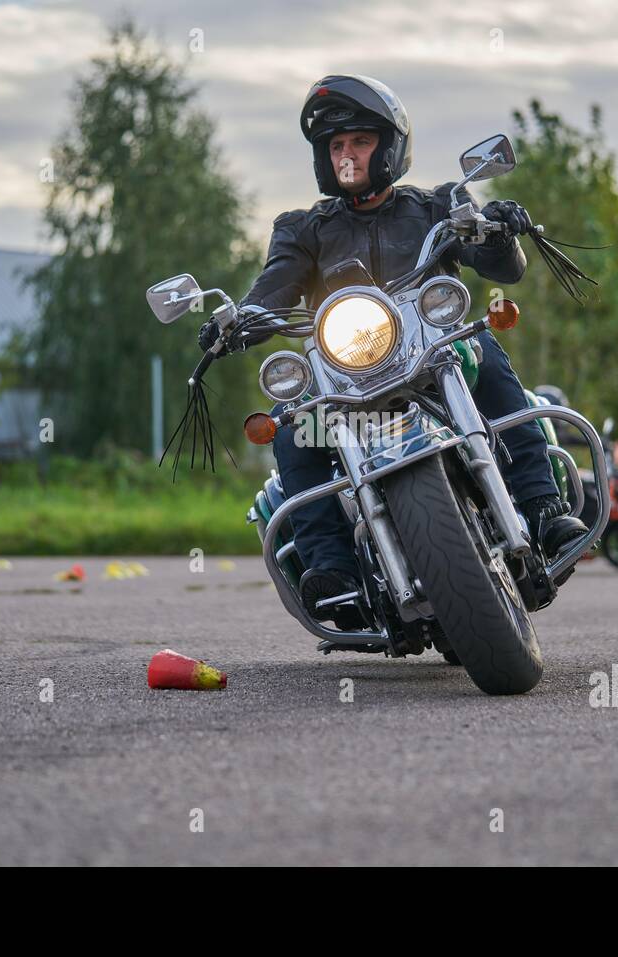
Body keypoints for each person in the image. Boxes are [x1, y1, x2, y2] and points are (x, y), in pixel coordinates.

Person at [200, 74, 585, 628]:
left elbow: (505, 270)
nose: (347, 155)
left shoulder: (437, 205)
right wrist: (233, 320)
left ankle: (543, 509)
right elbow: (271, 292)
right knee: (293, 429)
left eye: (359, 142)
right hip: (347, 377)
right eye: (336, 146)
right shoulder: (302, 229)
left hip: (434, 356)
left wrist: (498, 230)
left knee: (486, 350)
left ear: (389, 146)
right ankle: (332, 571)